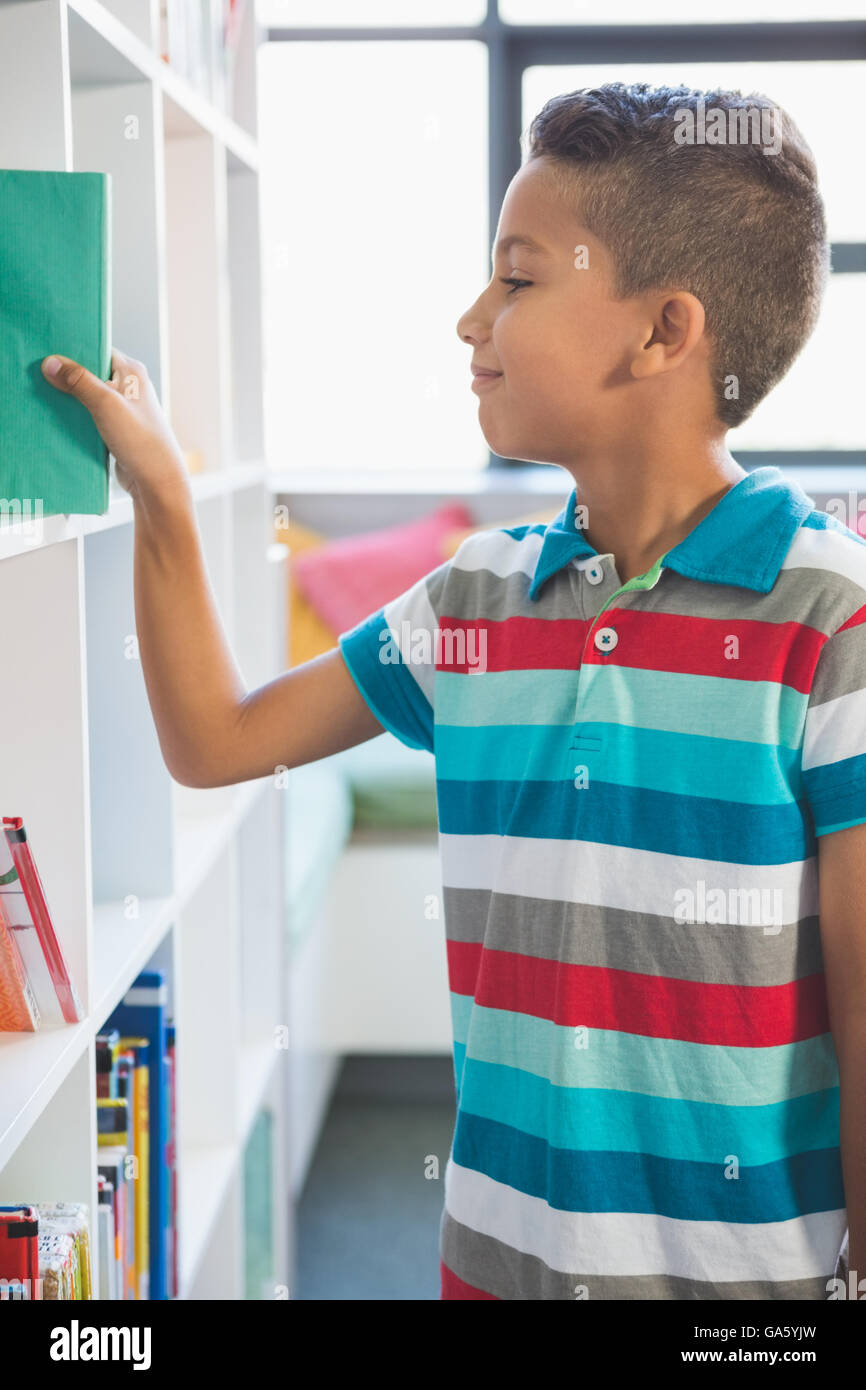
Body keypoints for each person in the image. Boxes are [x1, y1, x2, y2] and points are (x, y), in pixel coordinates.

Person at [42, 82, 866, 1301]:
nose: (469, 317)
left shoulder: (827, 615)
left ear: (662, 332)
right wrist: (163, 492)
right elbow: (215, 740)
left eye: (518, 279)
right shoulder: (474, 601)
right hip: (494, 1268)